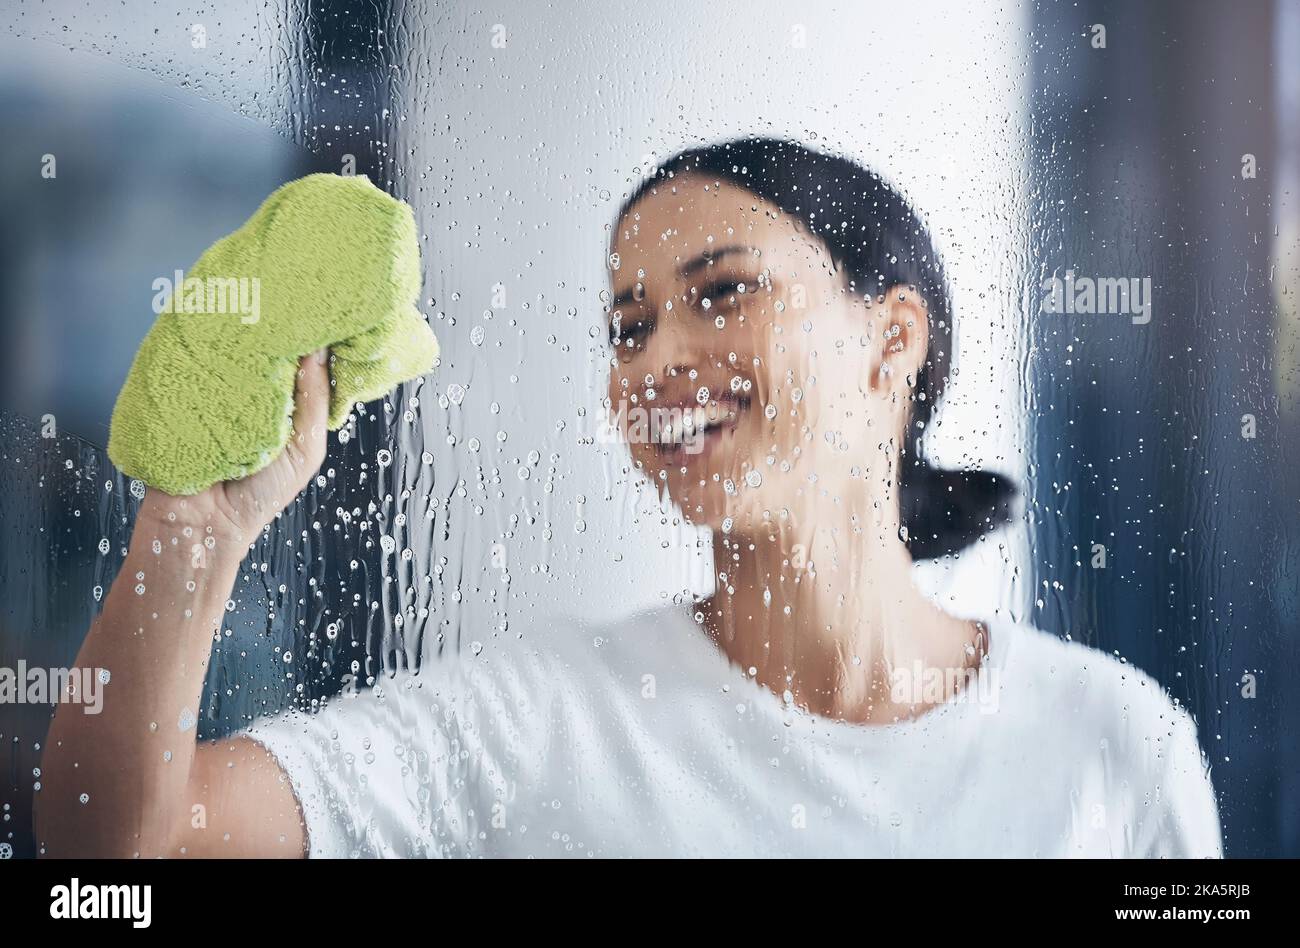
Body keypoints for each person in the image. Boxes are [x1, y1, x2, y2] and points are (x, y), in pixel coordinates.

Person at [34, 138, 1222, 858]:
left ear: (891, 338)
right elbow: (114, 864)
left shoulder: (1119, 742)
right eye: (628, 326)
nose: (652, 364)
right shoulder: (531, 719)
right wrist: (192, 538)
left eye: (720, 293)